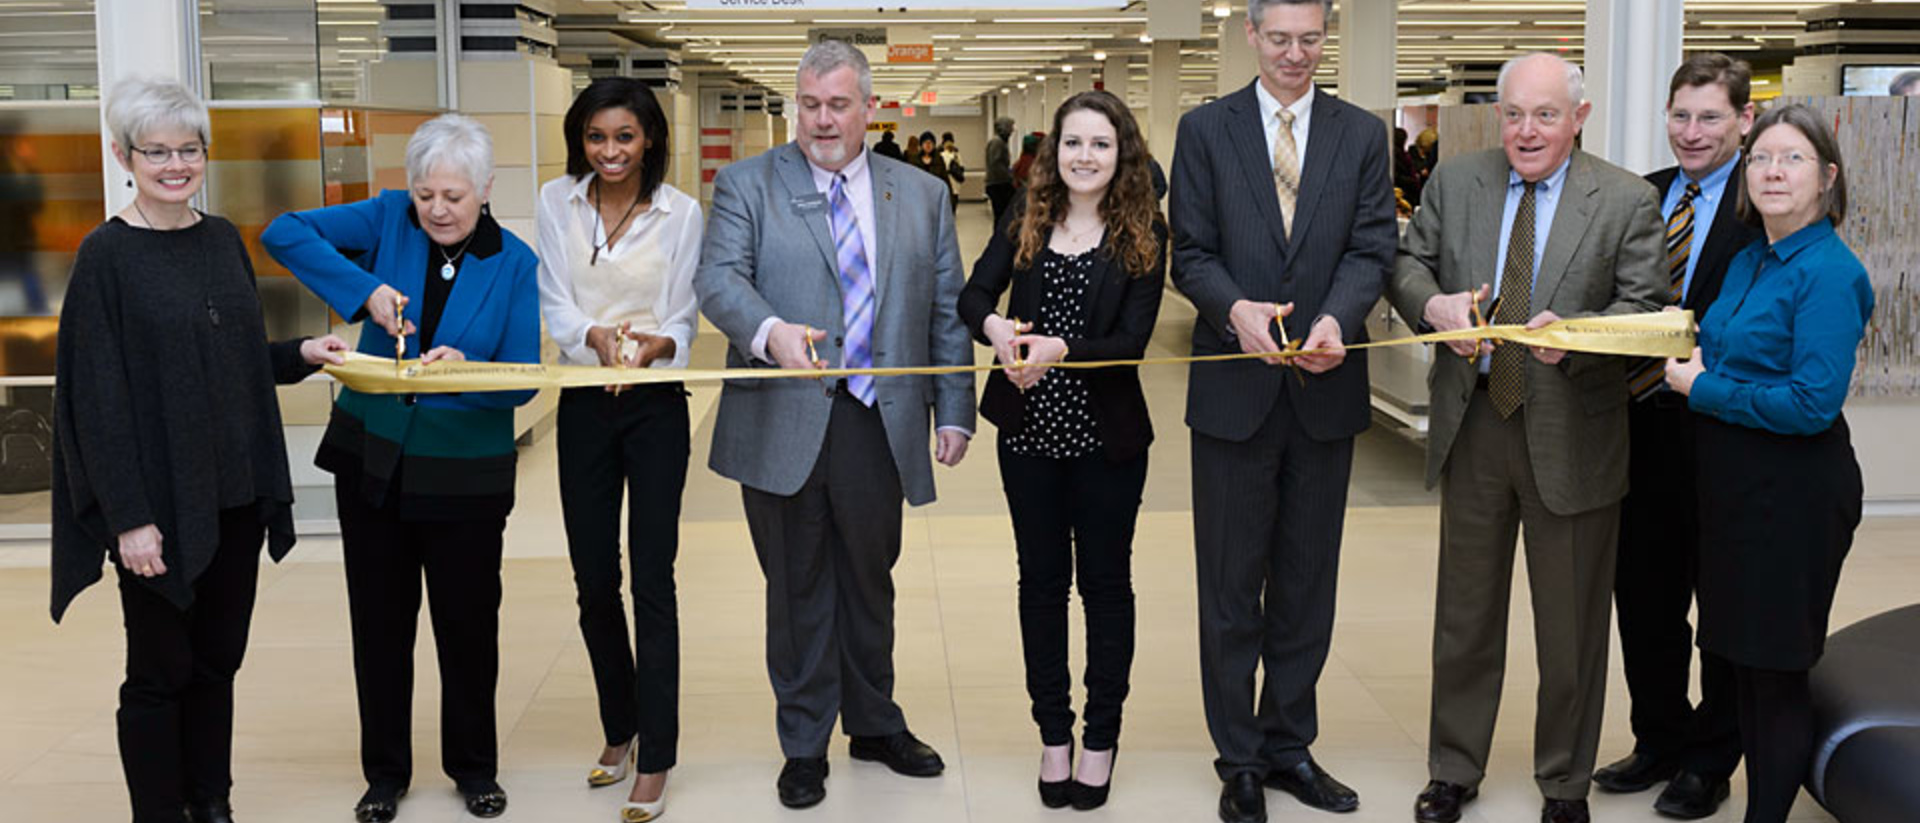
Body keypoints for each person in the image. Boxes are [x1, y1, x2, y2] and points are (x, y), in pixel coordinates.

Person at [49, 76, 349, 823]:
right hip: (158, 504)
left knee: (217, 662)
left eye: (189, 149)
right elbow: (97, 403)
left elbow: (235, 353)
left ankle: (210, 800)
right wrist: (128, 518)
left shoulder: (220, 239)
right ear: (125, 155)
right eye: (157, 151)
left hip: (235, 494)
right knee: (159, 672)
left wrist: (302, 352)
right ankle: (159, 810)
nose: (175, 164)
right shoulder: (105, 257)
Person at [692, 39, 975, 810]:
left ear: (867, 108)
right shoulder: (749, 184)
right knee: (797, 583)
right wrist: (769, 332)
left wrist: (955, 409)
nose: (822, 120)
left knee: (869, 579)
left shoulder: (919, 195)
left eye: (838, 104)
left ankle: (875, 722)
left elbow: (946, 311)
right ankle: (805, 739)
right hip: (782, 412)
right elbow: (718, 278)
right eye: (809, 104)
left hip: (878, 418)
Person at [1388, 53, 1666, 823]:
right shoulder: (1457, 180)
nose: (1527, 130)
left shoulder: (1625, 199)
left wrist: (1576, 337)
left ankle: (1565, 780)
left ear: (1580, 116)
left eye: (1546, 114)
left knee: (1571, 624)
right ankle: (1454, 766)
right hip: (1474, 420)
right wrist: (1434, 307)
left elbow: (1646, 309)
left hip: (1573, 429)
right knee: (1465, 614)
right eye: (1514, 113)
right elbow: (1406, 263)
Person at [263, 114, 541, 823]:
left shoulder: (514, 263)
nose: (438, 209)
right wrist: (365, 292)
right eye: (426, 195)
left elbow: (524, 378)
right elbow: (285, 231)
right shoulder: (387, 220)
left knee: (468, 626)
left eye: (453, 194)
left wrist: (469, 373)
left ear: (485, 189)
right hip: (374, 463)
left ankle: (474, 766)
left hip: (466, 476)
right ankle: (384, 772)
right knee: (381, 626)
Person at [1167, 2, 1397, 821]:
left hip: (1325, 391)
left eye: (1310, 38)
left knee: (1306, 584)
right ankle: (1238, 758)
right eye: (1280, 38)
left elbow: (1374, 246)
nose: (1296, 53)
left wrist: (1338, 316)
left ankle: (1288, 742)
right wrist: (1238, 312)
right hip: (1233, 392)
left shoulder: (1363, 135)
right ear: (1250, 36)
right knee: (1230, 586)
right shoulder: (1206, 130)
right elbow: (1187, 251)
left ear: (1324, 37)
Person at [1662, 103, 1874, 823]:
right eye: (1760, 159)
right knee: (1740, 664)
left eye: (1792, 159)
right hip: (1733, 489)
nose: (1772, 172)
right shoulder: (1751, 256)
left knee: (1776, 671)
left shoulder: (1829, 272)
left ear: (1827, 178)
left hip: (1794, 496)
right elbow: (1720, 343)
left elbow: (1812, 402)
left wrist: (1703, 386)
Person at [958, 90, 1165, 813]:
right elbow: (973, 293)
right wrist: (996, 328)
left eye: (1101, 145)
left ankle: (1101, 738)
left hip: (1107, 441)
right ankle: (1054, 734)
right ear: (1054, 153)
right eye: (1072, 143)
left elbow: (1132, 344)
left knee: (1105, 587)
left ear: (1123, 154)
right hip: (1028, 437)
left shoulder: (1143, 230)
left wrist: (1060, 349)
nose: (1084, 157)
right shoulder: (1026, 214)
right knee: (1041, 585)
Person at [1591, 53, 1762, 821]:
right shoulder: (1645, 196)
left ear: (1745, 121)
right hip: (1638, 427)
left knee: (1720, 601)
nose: (1691, 133)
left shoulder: (1765, 205)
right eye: (1681, 116)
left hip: (1723, 431)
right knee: (1647, 595)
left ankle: (1710, 757)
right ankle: (1657, 734)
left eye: (1710, 117)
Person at [535, 77, 703, 823]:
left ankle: (657, 754)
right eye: (597, 137)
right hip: (583, 401)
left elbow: (685, 310)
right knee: (594, 577)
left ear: (649, 141)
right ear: (580, 138)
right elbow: (554, 298)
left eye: (625, 138)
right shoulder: (554, 202)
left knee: (653, 580)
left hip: (656, 405)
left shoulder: (682, 212)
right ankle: (620, 724)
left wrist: (658, 345)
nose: (610, 151)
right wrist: (592, 339)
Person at [985, 115, 1016, 224]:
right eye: (1011, 127)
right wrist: (1010, 177)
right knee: (1001, 216)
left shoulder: (1000, 142)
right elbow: (996, 164)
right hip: (998, 185)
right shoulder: (997, 143)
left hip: (998, 183)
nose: (1012, 130)